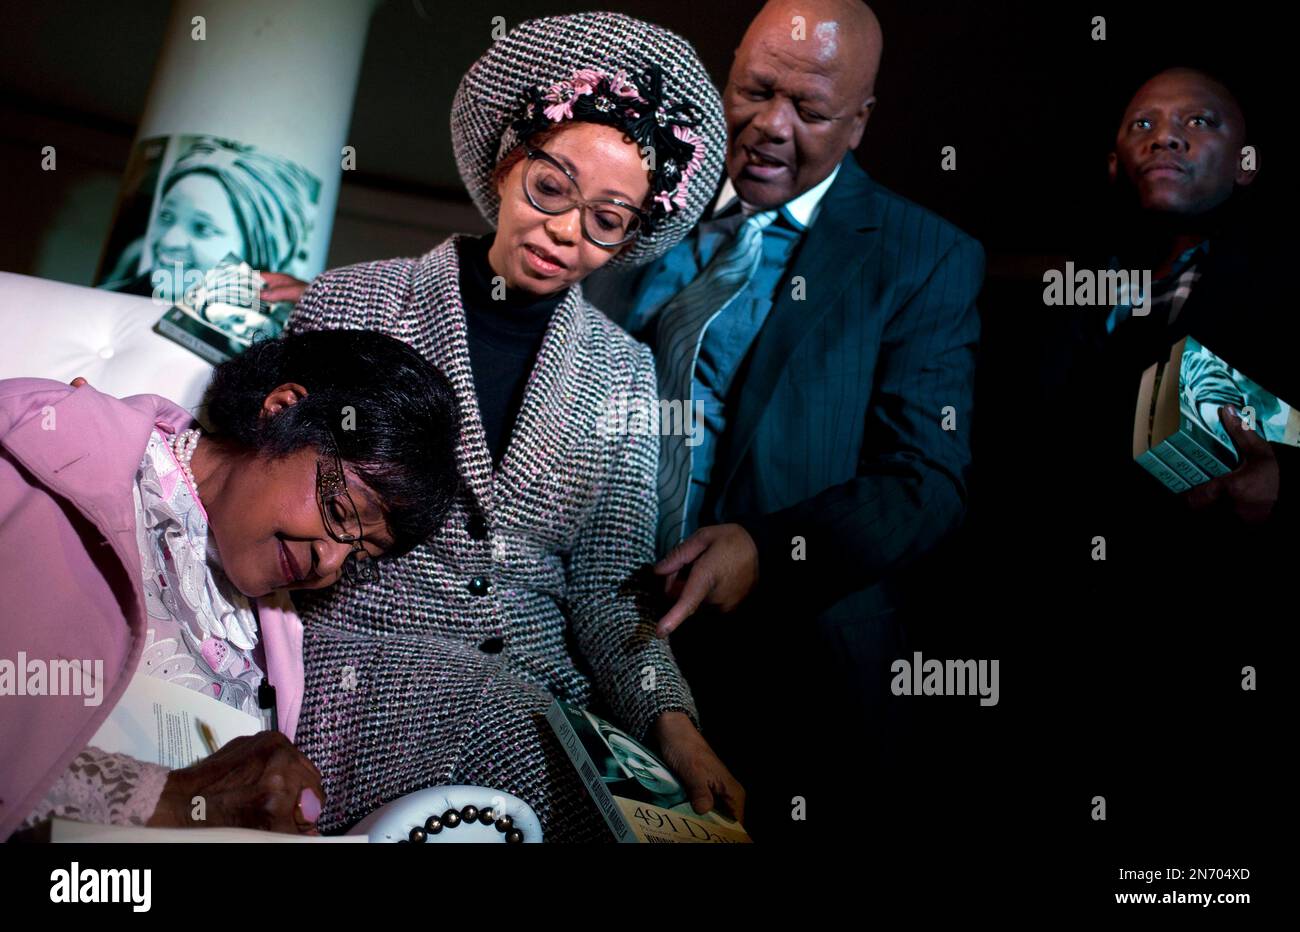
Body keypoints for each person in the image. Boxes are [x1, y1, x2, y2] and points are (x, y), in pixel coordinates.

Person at [285, 12, 744, 842]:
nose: (567, 230)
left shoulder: (624, 369)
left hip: (542, 694)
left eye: (608, 219)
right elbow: (281, 504)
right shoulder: (355, 301)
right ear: (505, 163)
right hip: (357, 669)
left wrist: (671, 721)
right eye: (551, 187)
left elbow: (611, 584)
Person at [584, 0, 985, 839]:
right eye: (754, 90)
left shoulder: (923, 255)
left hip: (789, 674)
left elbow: (925, 482)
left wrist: (769, 549)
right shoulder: (641, 196)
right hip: (595, 632)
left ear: (861, 122)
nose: (769, 126)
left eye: (809, 110)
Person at [0, 330, 459, 839]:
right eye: (337, 511)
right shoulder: (44, 441)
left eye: (357, 557)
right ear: (282, 410)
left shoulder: (275, 634)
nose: (328, 562)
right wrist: (172, 800)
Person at [101, 136, 320, 303]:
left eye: (202, 228)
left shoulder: (280, 346)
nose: (169, 241)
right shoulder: (106, 303)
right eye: (166, 216)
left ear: (257, 248)